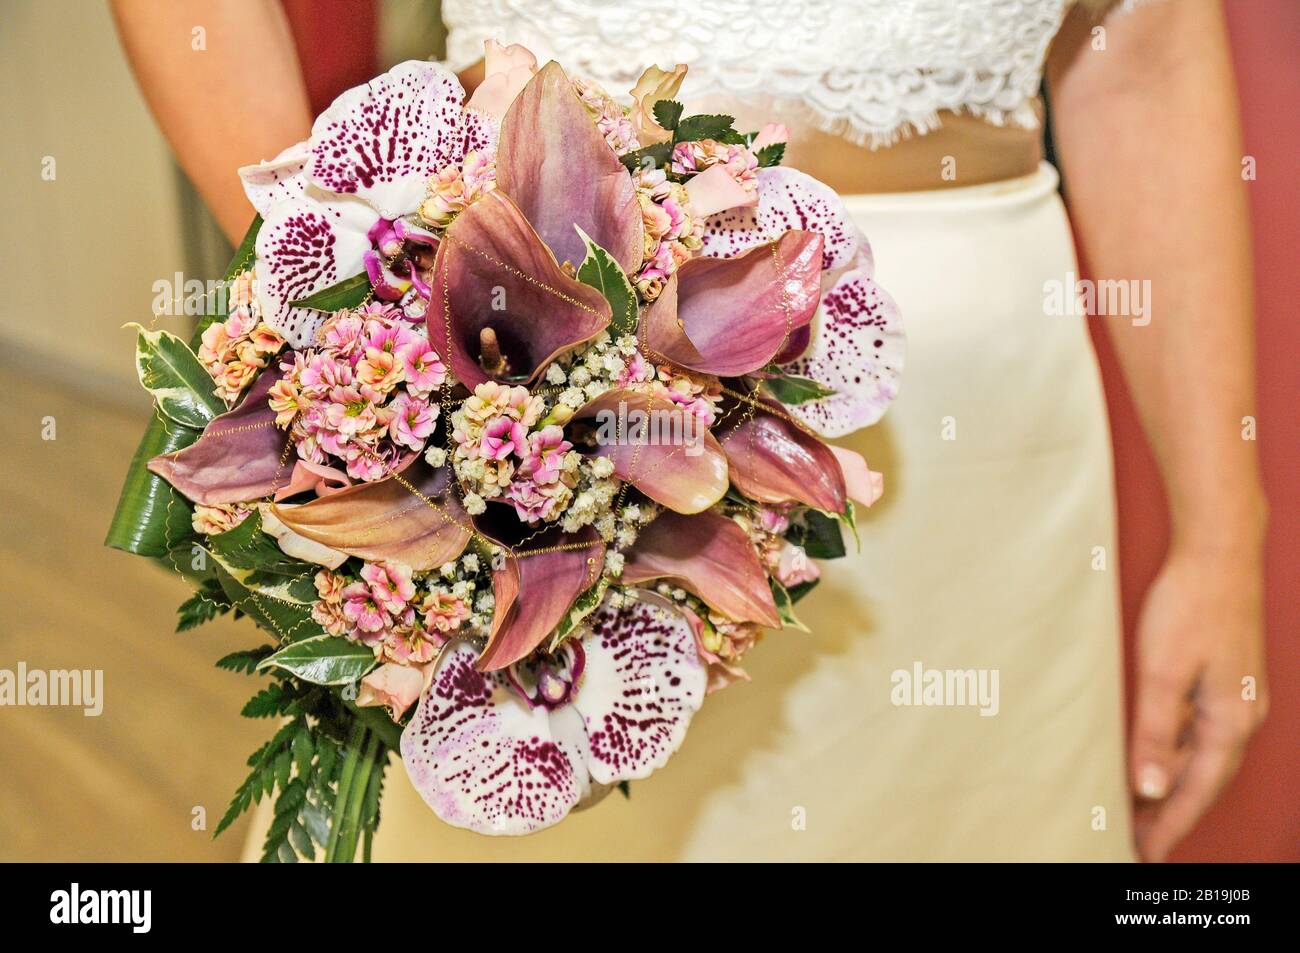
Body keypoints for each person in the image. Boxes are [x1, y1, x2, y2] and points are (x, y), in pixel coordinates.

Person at [113, 0, 1267, 860]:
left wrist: (1225, 531)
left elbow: (1147, 47)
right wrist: (371, 321)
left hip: (991, 436)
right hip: (533, 397)